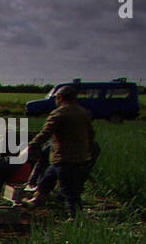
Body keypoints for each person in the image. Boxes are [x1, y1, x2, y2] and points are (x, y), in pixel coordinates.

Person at [22, 85, 94, 215]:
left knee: (69, 190)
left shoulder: (59, 113)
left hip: (64, 157)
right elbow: (91, 133)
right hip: (79, 157)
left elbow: (45, 133)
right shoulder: (83, 112)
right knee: (47, 180)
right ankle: (37, 200)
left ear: (60, 98)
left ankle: (74, 216)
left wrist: (31, 145)